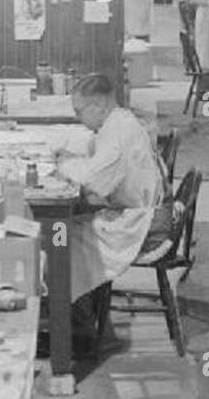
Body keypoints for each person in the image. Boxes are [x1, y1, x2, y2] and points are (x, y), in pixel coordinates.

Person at [56, 73, 164, 301]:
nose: (77, 117)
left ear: (98, 106)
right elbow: (98, 164)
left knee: (61, 234)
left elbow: (94, 180)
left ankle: (69, 311)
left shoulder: (118, 130)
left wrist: (64, 165)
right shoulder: (119, 120)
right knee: (65, 227)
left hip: (138, 222)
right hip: (134, 209)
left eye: (79, 111)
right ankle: (76, 305)